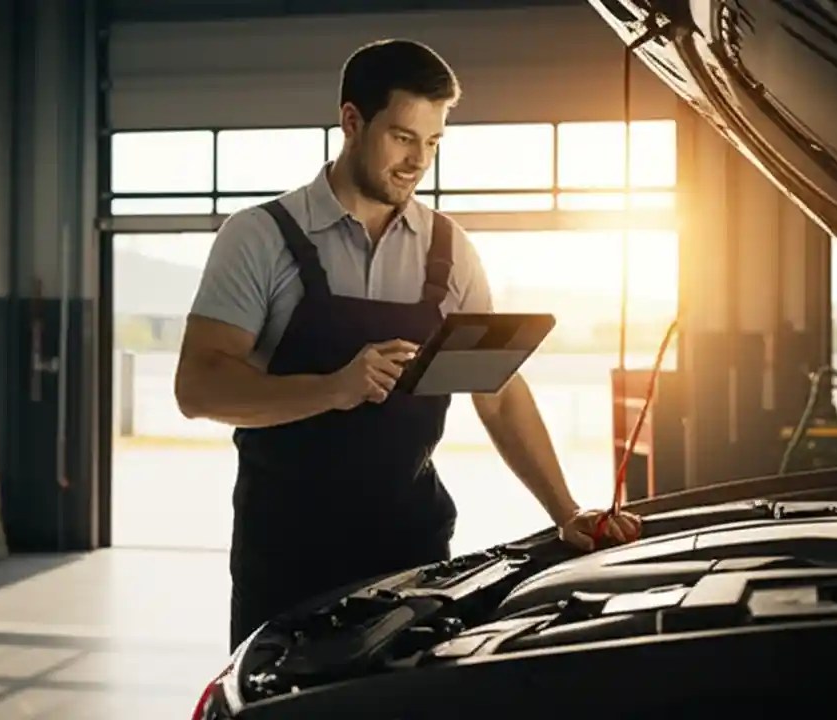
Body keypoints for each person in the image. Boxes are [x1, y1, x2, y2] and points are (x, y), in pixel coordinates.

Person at [174, 38, 641, 652]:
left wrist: (566, 509)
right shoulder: (260, 238)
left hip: (413, 554)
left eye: (434, 142)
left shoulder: (449, 250)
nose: (418, 160)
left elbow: (497, 395)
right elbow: (199, 387)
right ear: (351, 121)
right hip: (287, 559)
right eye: (402, 137)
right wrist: (334, 388)